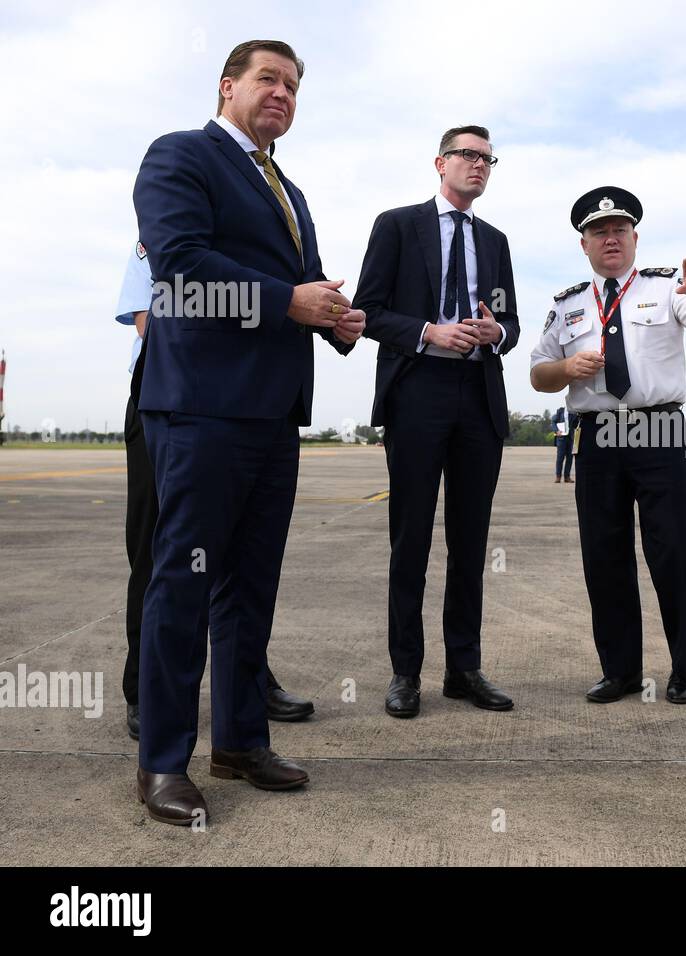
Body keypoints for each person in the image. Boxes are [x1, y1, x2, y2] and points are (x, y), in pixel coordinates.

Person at [132, 40, 365, 825]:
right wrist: (288, 302)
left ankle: (238, 740)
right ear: (228, 86)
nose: (283, 94)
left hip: (272, 415)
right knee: (183, 585)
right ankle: (163, 761)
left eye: (294, 86)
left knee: (249, 588)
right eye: (269, 79)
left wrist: (335, 316)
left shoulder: (288, 189)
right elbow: (181, 265)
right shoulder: (181, 156)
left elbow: (303, 286)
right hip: (202, 408)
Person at [529, 187, 686, 704]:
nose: (610, 238)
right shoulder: (568, 305)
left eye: (619, 229)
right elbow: (538, 373)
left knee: (676, 552)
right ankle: (619, 671)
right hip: (597, 435)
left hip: (656, 429)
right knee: (605, 555)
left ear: (635, 238)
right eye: (599, 232)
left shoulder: (669, 288)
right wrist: (567, 369)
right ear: (585, 244)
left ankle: (683, 668)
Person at [115, 246, 314, 743]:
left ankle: (248, 685)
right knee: (157, 553)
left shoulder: (244, 241)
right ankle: (144, 690)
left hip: (238, 403)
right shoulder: (161, 242)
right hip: (167, 398)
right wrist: (258, 310)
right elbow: (147, 320)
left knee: (239, 560)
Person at [354, 125, 520, 718]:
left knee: (470, 540)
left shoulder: (496, 241)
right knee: (412, 537)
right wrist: (427, 332)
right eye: (467, 156)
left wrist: (495, 332)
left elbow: (511, 322)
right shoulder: (398, 225)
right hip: (417, 391)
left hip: (478, 393)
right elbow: (368, 312)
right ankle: (405, 671)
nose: (478, 166)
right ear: (440, 162)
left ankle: (463, 667)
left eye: (487, 159)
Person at [552, 406, 576, 482]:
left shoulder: (574, 412)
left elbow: (576, 423)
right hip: (561, 438)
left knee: (570, 458)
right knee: (560, 458)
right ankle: (558, 477)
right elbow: (553, 422)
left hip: (571, 438)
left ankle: (567, 477)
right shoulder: (560, 411)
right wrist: (556, 431)